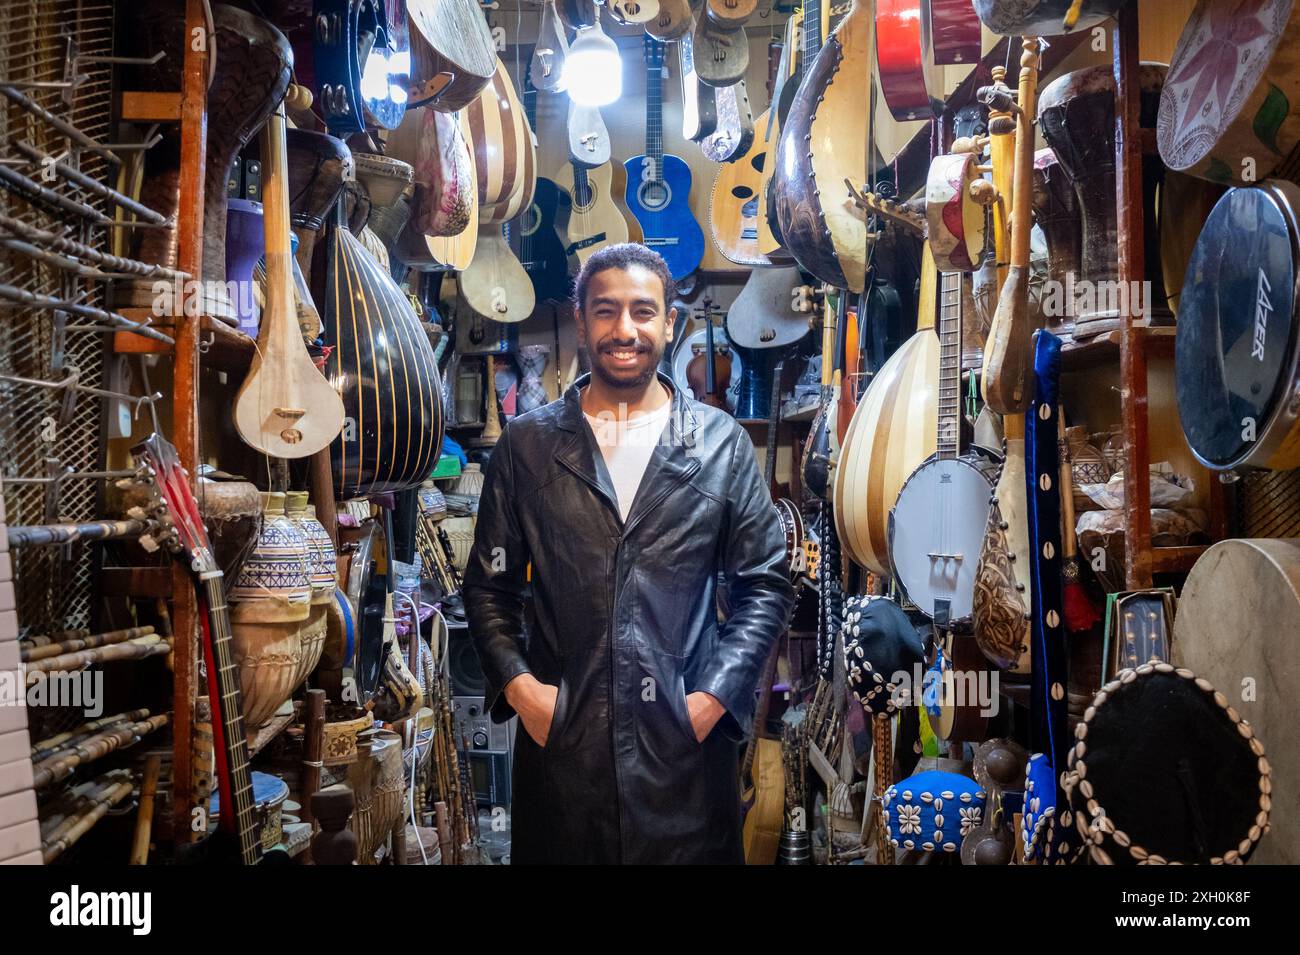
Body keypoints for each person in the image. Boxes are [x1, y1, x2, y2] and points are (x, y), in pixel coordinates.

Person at [464, 243, 795, 864]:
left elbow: (767, 584)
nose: (625, 330)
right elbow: (489, 588)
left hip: (684, 763)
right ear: (581, 320)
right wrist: (521, 689)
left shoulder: (718, 443)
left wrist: (714, 698)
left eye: (643, 312)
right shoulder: (527, 446)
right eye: (606, 311)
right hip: (564, 758)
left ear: (671, 322)